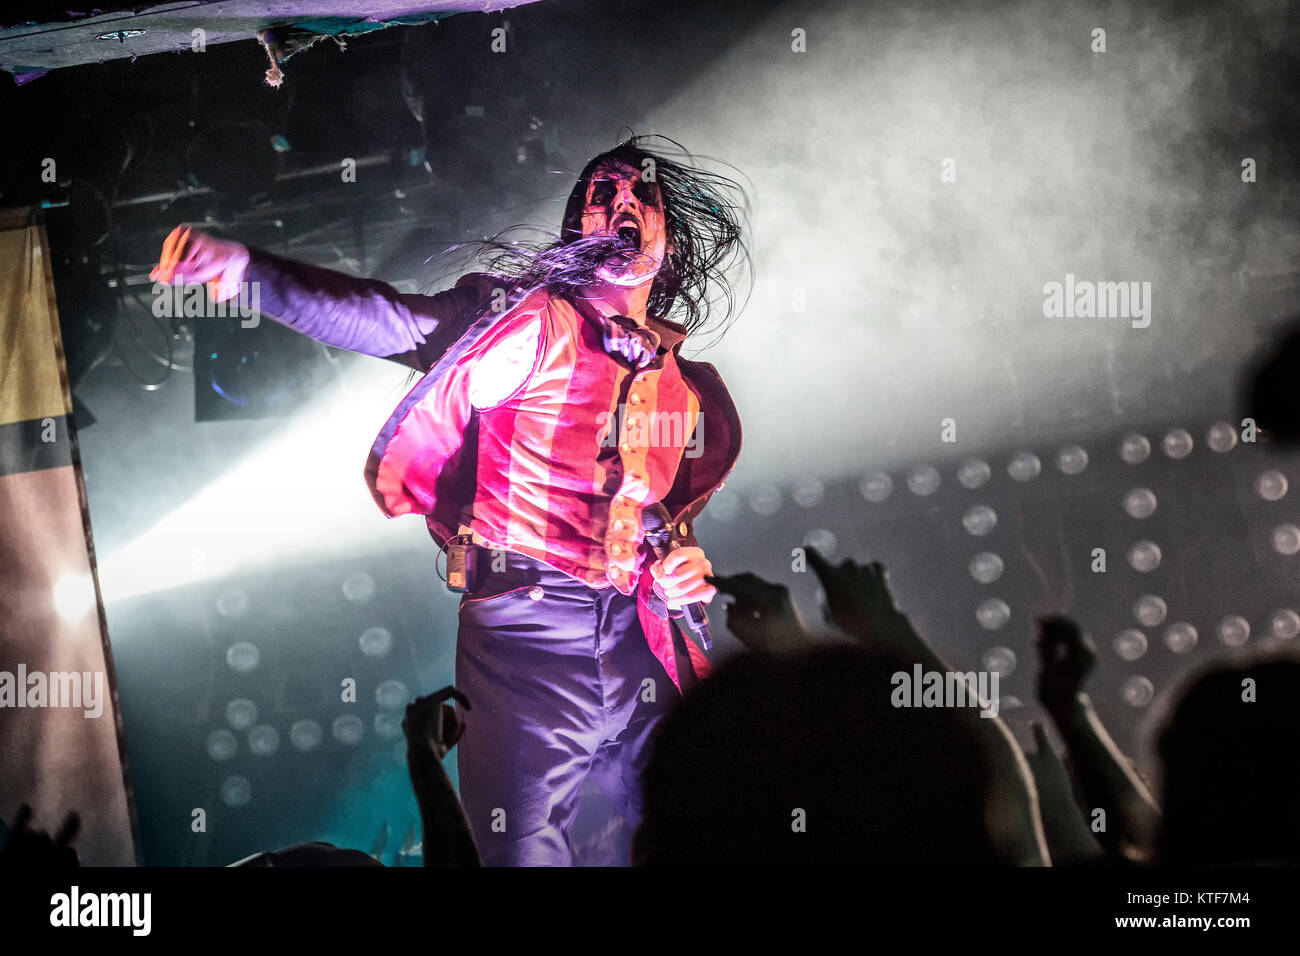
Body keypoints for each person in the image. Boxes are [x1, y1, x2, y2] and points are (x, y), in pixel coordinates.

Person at [151, 135, 750, 865]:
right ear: (579, 229)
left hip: (641, 639)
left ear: (668, 237)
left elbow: (658, 519)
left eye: (641, 195)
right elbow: (390, 322)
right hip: (528, 636)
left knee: (711, 828)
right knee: (518, 857)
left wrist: (682, 561)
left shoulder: (684, 388)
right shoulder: (522, 320)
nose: (621, 202)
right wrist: (250, 275)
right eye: (602, 193)